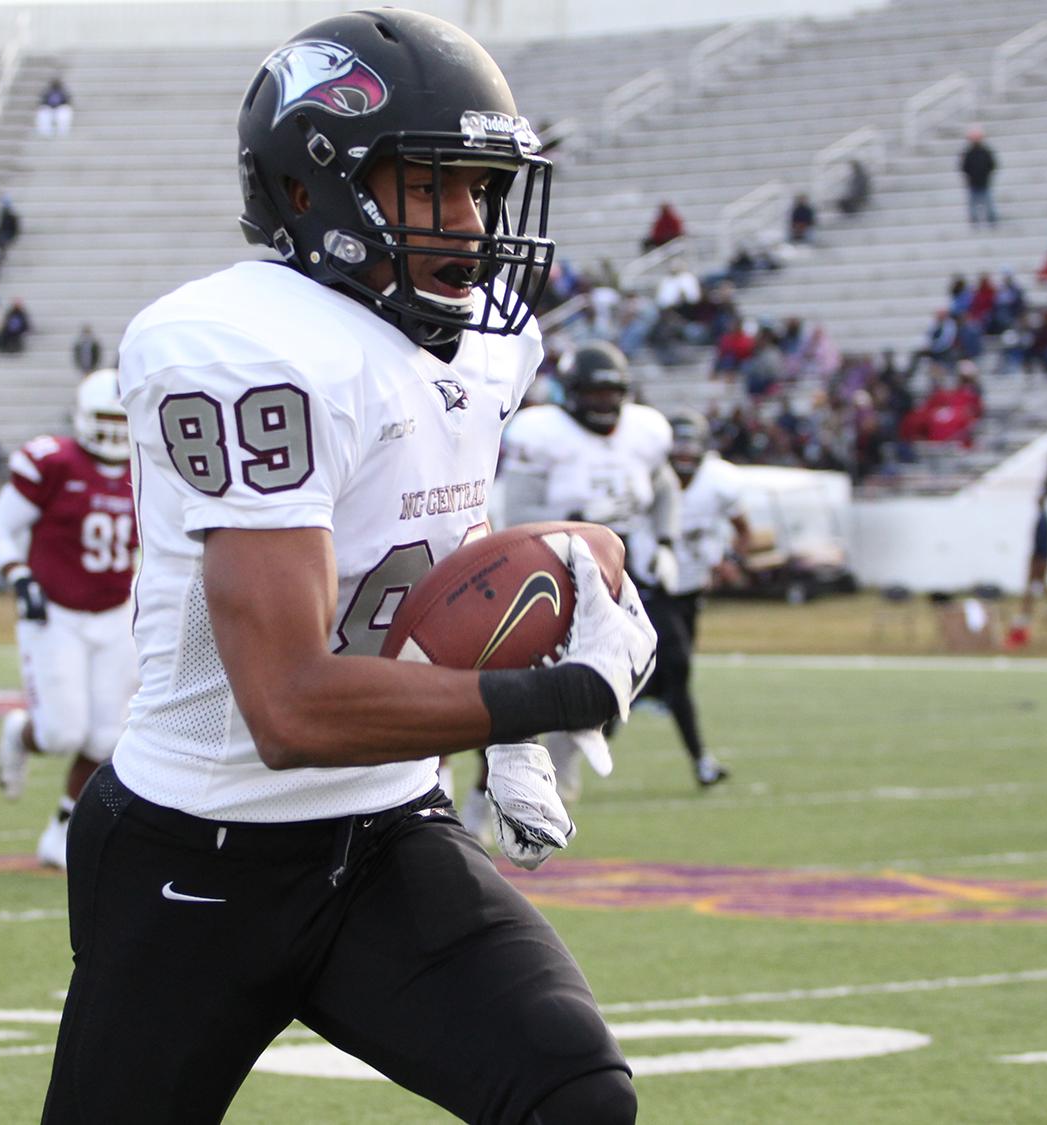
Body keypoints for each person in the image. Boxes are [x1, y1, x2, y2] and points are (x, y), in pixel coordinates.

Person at [37, 11, 652, 1124]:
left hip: (383, 833)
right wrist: (556, 696)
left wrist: (579, 587)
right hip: (200, 851)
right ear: (314, 189)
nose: (470, 224)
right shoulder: (244, 350)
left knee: (575, 1098)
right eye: (431, 189)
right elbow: (288, 709)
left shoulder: (488, 335)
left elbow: (451, 556)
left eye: (481, 187)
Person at [493, 340, 677, 813]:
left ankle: (565, 757)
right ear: (572, 393)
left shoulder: (644, 431)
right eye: (593, 393)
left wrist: (665, 542)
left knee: (621, 671)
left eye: (612, 392)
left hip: (619, 573)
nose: (604, 403)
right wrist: (574, 516)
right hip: (551, 574)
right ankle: (504, 790)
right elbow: (518, 513)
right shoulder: (542, 434)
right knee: (547, 675)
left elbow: (664, 488)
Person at [0, 371, 138, 869]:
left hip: (115, 613)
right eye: (105, 419)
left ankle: (61, 831)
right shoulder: (52, 461)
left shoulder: (147, 468)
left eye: (121, 419)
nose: (113, 431)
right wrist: (19, 576)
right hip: (55, 613)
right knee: (60, 734)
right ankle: (21, 734)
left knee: (106, 738)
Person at [646, 411, 749, 783]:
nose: (686, 456)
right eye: (680, 447)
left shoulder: (719, 482)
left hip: (691, 590)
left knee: (673, 678)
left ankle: (644, 694)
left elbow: (743, 529)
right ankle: (701, 761)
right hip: (650, 586)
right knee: (679, 665)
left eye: (692, 447)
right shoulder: (647, 478)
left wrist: (731, 561)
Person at [960, 127, 998, 228]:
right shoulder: (968, 153)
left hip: (984, 182)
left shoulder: (985, 152)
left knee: (988, 203)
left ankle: (991, 220)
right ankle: (974, 221)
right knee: (973, 204)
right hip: (973, 183)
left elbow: (992, 165)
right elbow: (964, 167)